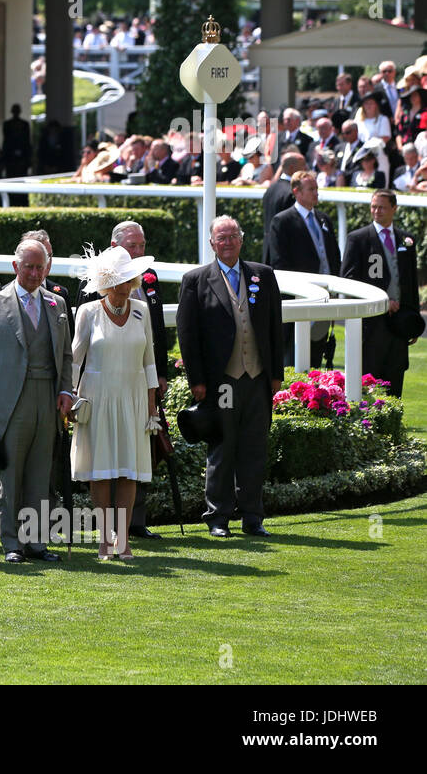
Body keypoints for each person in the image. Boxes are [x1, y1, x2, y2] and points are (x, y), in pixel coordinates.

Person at [176, 216, 283, 538]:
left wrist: (275, 373)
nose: (227, 242)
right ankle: (218, 517)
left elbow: (275, 326)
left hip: (257, 377)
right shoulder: (196, 280)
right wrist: (197, 380)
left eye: (232, 236)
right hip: (221, 379)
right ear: (211, 243)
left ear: (241, 239)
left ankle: (253, 516)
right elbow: (187, 333)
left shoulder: (262, 276)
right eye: (221, 238)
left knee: (254, 448)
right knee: (222, 447)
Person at [0, 239, 73, 563]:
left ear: (47, 268)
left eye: (39, 267)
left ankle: (36, 543)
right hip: (9, 402)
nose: (33, 273)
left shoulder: (57, 304)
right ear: (15, 267)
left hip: (46, 399)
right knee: (11, 473)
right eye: (28, 267)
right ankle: (12, 543)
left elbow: (67, 354)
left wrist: (65, 390)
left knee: (40, 474)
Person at [75, 221, 169, 539]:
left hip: (134, 397)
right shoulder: (88, 312)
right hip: (97, 397)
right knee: (101, 469)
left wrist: (152, 406)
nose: (125, 285)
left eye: (128, 279)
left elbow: (150, 363)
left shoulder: (142, 310)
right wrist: (69, 400)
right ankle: (105, 533)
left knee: (130, 469)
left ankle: (123, 533)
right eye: (118, 280)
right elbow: (75, 360)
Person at [341, 190, 421, 397]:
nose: (376, 211)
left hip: (400, 324)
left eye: (382, 207)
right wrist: (382, 301)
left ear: (394, 208)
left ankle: (393, 427)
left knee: (395, 378)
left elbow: (411, 282)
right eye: (373, 206)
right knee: (370, 380)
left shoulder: (407, 240)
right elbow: (348, 282)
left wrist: (413, 319)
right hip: (371, 325)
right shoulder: (358, 239)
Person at [264, 172, 341, 367]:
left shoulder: (324, 219)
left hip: (325, 299)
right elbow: (279, 263)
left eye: (316, 189)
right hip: (298, 301)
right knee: (294, 356)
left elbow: (333, 256)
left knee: (317, 353)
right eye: (311, 189)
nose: (316, 193)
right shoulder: (282, 221)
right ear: (296, 192)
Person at [262, 152, 304, 236]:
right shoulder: (292, 192)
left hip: (269, 244)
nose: (305, 168)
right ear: (292, 168)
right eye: (302, 165)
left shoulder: (270, 189)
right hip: (285, 246)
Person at [1, 104, 32, 204]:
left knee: (22, 180)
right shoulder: (7, 124)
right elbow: (6, 142)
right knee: (11, 180)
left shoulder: (25, 124)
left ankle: (22, 201)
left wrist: (28, 159)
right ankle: (12, 200)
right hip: (11, 159)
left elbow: (27, 142)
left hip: (22, 158)